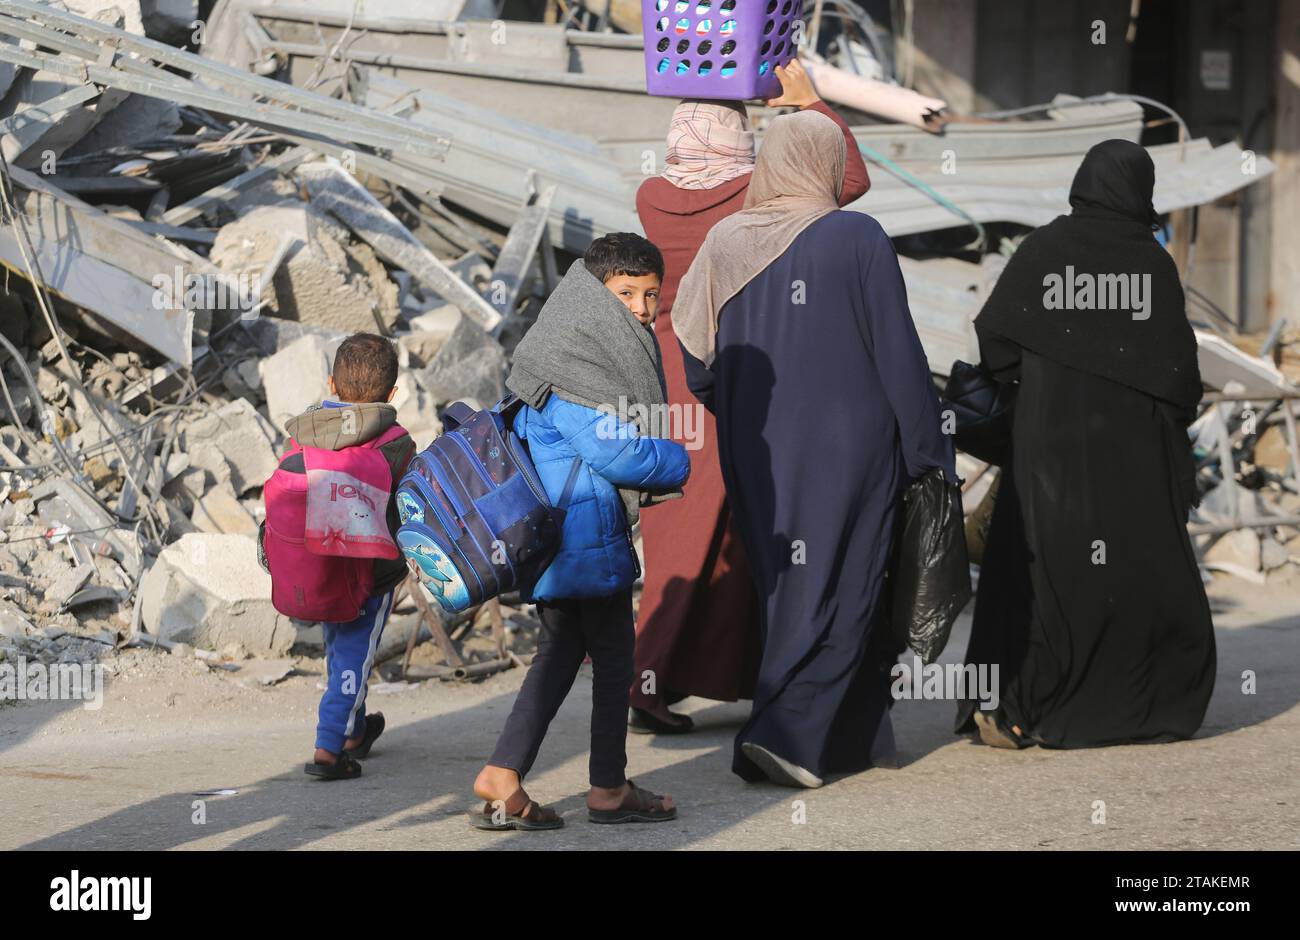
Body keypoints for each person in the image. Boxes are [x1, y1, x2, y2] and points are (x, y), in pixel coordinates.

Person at [671, 110, 953, 787]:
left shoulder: (726, 239)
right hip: (850, 446)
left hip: (757, 446)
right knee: (850, 585)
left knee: (787, 586)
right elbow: (899, 356)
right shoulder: (857, 235)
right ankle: (787, 735)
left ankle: (836, 738)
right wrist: (928, 449)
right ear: (825, 166)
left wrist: (740, 412)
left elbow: (696, 356)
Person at [630, 60, 872, 734]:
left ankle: (695, 676)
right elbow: (847, 181)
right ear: (739, 147)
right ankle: (644, 684)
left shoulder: (651, 195)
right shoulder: (748, 195)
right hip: (727, 371)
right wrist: (809, 104)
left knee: (694, 531)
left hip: (666, 376)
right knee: (722, 532)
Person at [954, 139, 1216, 749]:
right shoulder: (1150, 265)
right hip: (1133, 457)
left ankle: (1019, 703)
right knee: (1134, 567)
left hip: (1048, 448)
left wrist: (1046, 370)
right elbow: (1180, 377)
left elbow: (996, 341)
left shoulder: (1046, 249)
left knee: (1045, 568)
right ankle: (1135, 704)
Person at [470, 233, 691, 829]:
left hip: (569, 536)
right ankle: (607, 787)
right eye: (626, 294)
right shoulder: (573, 363)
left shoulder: (568, 348)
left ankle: (505, 774)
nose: (643, 310)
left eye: (651, 295)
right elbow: (615, 454)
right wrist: (678, 459)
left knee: (562, 652)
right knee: (616, 658)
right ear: (594, 295)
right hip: (582, 536)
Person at [268, 333, 416, 781]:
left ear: (331, 383)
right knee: (357, 653)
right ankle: (329, 747)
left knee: (340, 645)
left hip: (316, 564)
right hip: (369, 574)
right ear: (392, 395)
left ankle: (353, 730)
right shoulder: (396, 443)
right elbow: (409, 505)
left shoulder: (304, 431)